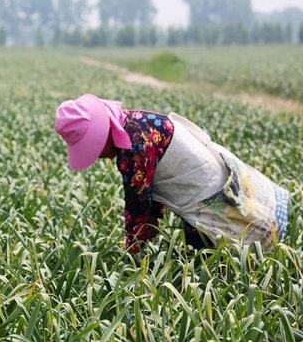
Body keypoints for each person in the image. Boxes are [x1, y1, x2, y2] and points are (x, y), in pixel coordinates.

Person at [54, 94, 291, 254]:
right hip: (207, 171)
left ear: (104, 133)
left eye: (94, 147)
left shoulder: (133, 148)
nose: (96, 155)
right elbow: (150, 189)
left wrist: (132, 252)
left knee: (218, 248)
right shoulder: (134, 121)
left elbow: (138, 205)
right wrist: (150, 223)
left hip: (205, 188)